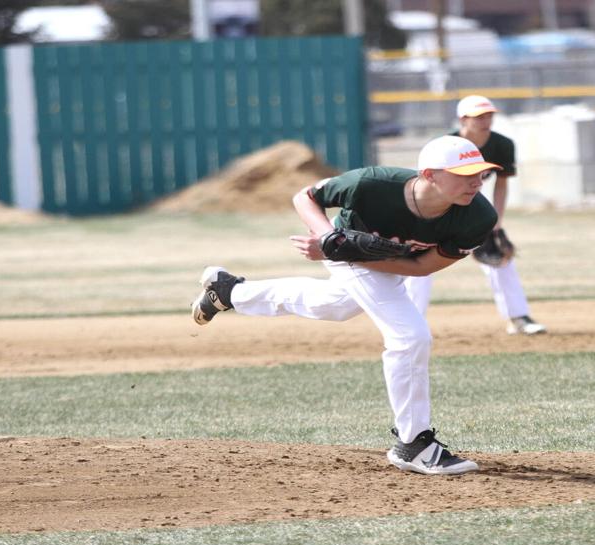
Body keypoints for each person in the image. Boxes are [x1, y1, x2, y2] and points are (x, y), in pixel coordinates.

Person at [187, 135, 502, 476]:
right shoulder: (372, 183)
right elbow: (305, 197)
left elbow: (421, 268)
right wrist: (329, 240)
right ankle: (414, 444)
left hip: (380, 262)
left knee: (334, 305)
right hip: (343, 244)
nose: (476, 180)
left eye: (481, 172)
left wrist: (357, 255)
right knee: (410, 337)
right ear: (429, 175)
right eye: (464, 172)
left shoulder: (477, 217)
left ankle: (230, 292)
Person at [401, 95, 547, 336]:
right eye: (478, 116)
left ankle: (518, 317)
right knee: (421, 264)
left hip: (471, 207)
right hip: (437, 210)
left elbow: (501, 184)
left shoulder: (502, 145)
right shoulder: (444, 145)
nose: (485, 120)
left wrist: (497, 222)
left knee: (499, 258)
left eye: (489, 115)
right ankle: (409, 324)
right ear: (462, 119)